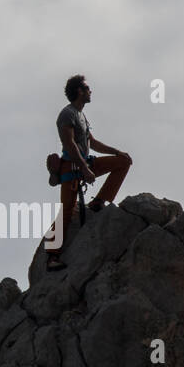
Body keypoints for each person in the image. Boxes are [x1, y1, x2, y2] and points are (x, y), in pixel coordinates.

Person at [44, 74, 132, 270]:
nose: (90, 91)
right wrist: (84, 168)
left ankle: (98, 201)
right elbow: (70, 144)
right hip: (73, 168)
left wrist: (117, 152)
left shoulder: (81, 115)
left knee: (123, 162)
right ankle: (51, 256)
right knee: (66, 212)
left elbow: (93, 143)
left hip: (85, 164)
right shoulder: (67, 114)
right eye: (87, 88)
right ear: (79, 91)